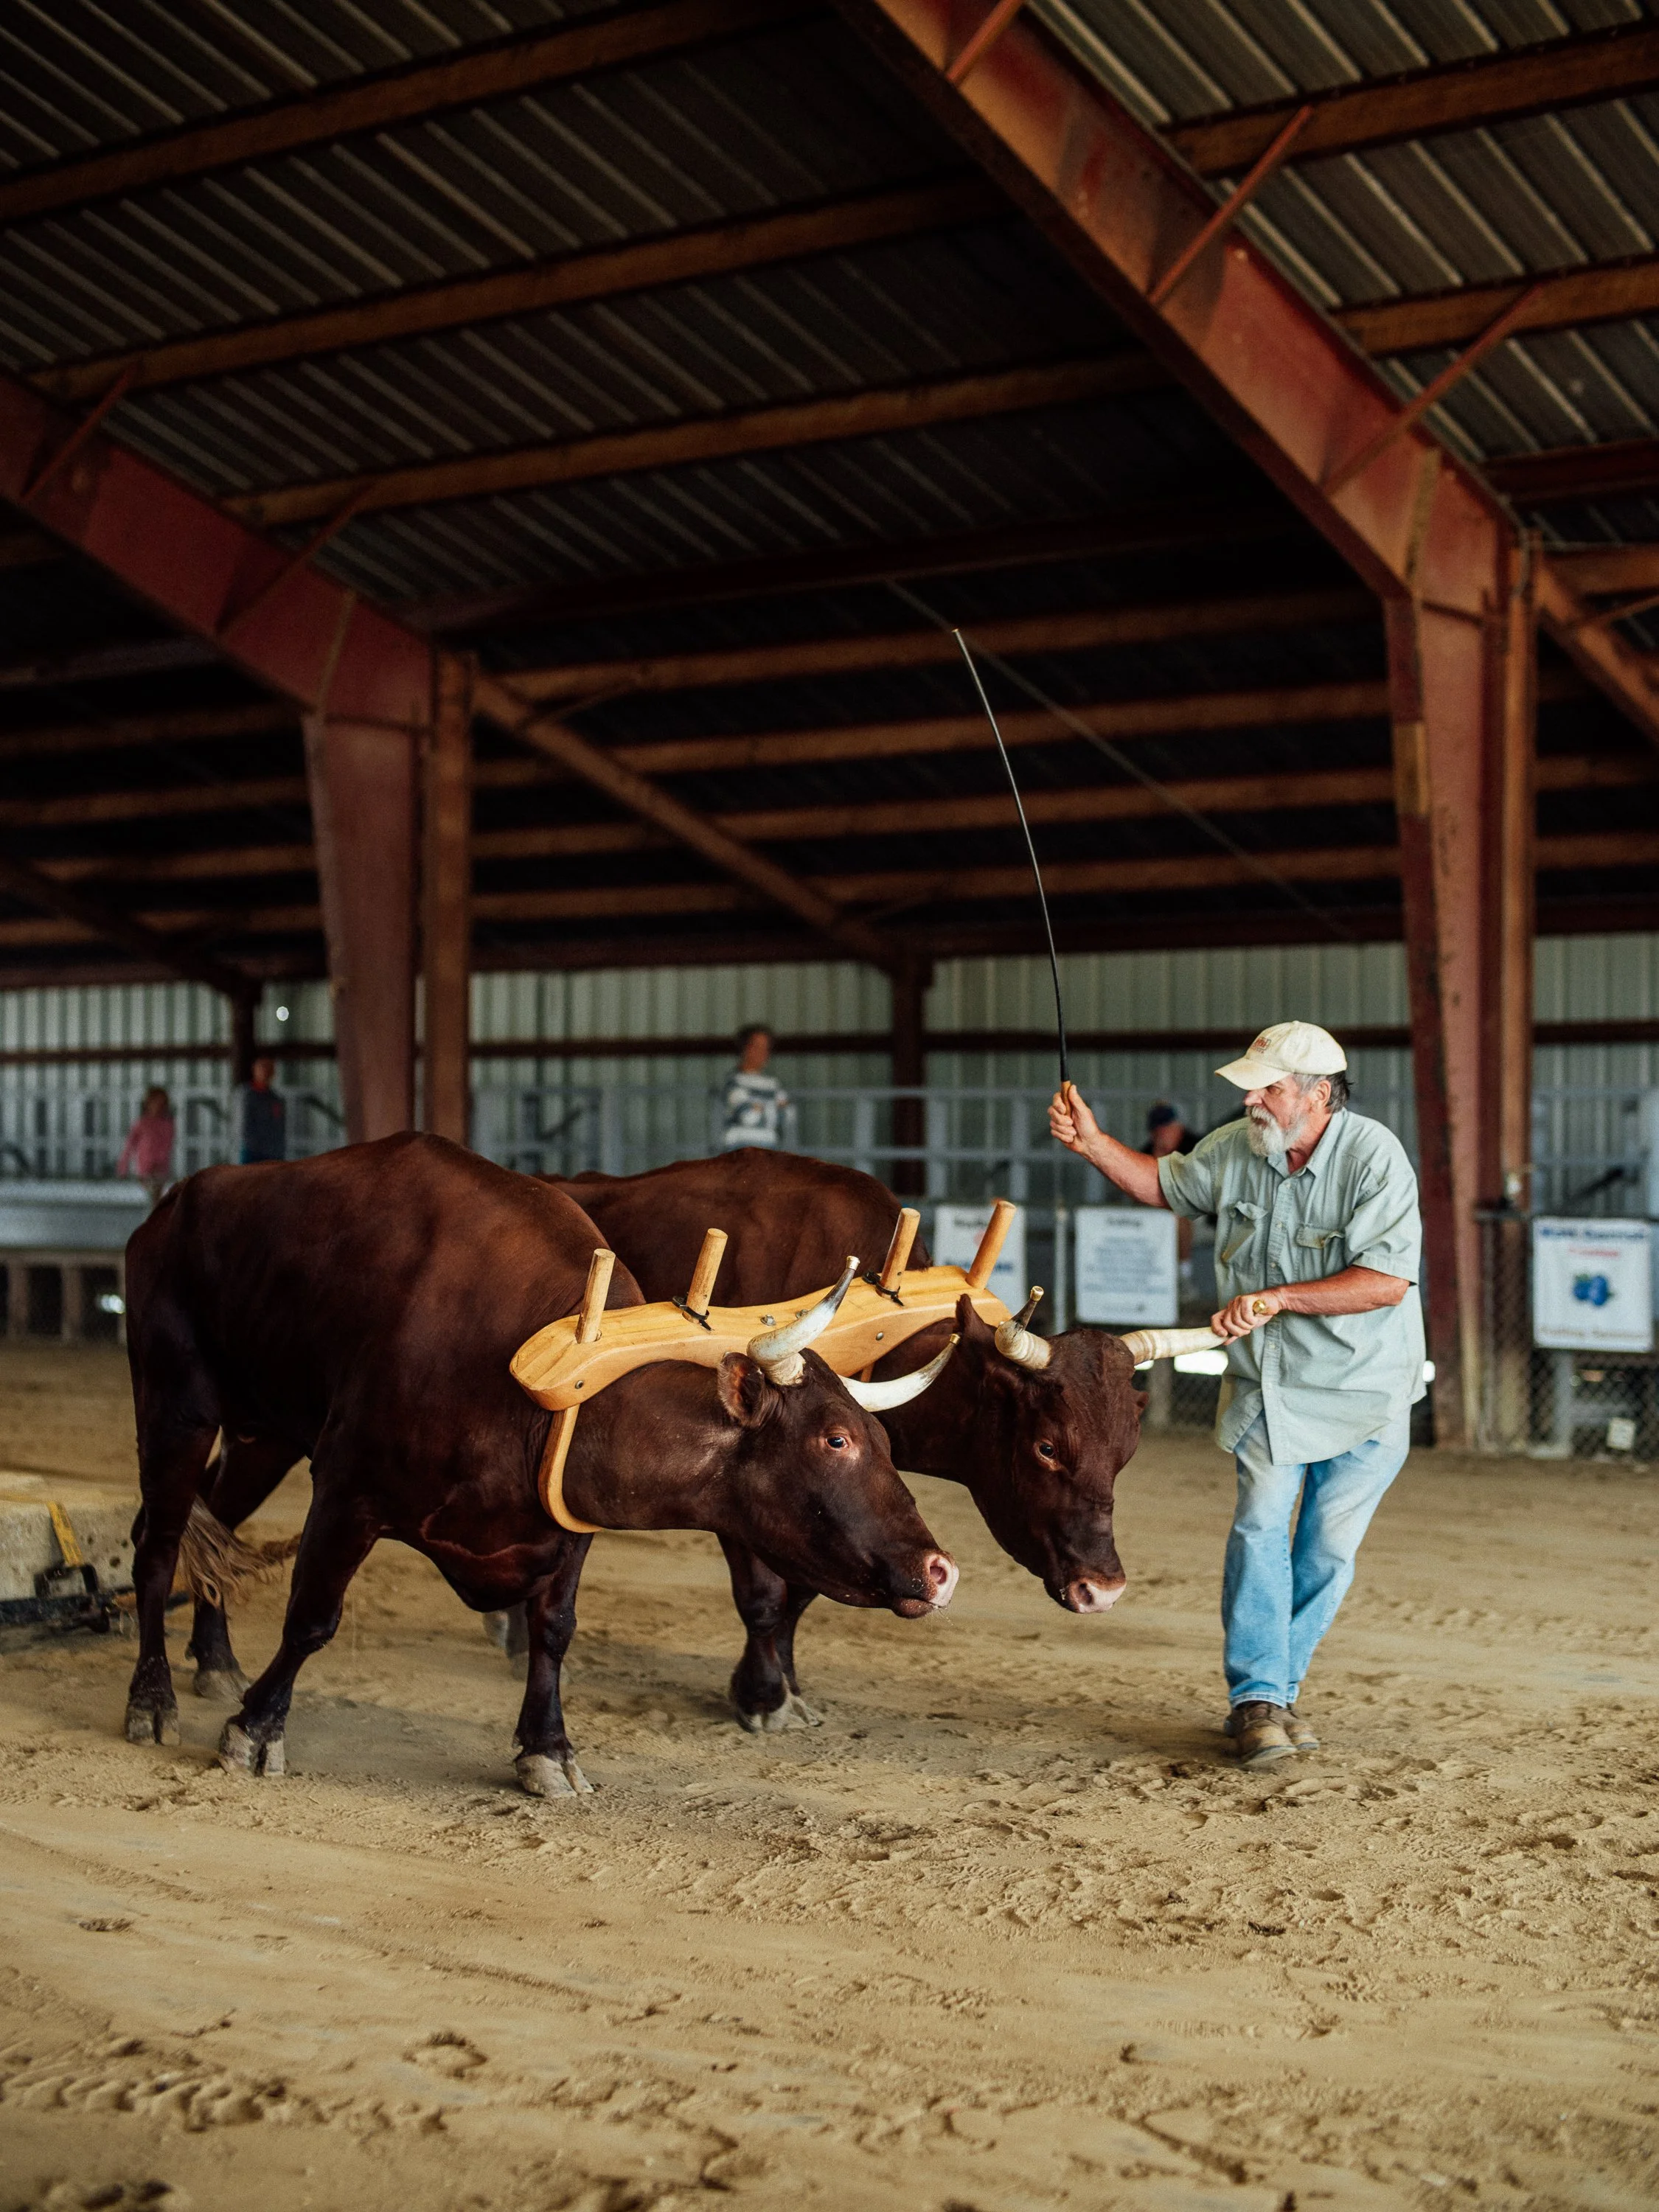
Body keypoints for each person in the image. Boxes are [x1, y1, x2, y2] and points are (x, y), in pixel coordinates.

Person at [1050, 1021, 1424, 1770]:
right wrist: (1093, 1141)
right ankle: (1256, 1698)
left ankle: (1278, 1690)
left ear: (1318, 1095)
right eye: (1251, 1086)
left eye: (1269, 1088)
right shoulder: (1238, 1148)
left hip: (1365, 1394)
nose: (1251, 1098)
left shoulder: (1374, 1157)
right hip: (1269, 1388)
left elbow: (1386, 1281)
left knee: (1326, 1551)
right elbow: (1163, 1183)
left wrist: (1279, 1298)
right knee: (1258, 1529)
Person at [721, 1025, 790, 1151]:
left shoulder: (773, 1083)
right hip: (741, 1150)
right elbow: (748, 1117)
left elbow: (789, 1115)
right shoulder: (734, 1082)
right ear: (744, 1049)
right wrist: (774, 1106)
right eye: (757, 1047)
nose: (763, 1053)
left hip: (770, 1149)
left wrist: (759, 1107)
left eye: (766, 1048)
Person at [116, 1085, 175, 1206]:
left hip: (161, 1167)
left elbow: (167, 1145)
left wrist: (159, 1162)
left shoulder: (167, 1125)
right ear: (148, 1104)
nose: (157, 1107)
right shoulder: (141, 1123)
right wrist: (123, 1165)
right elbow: (130, 1145)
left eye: (161, 1103)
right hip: (145, 1167)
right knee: (153, 1196)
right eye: (154, 1103)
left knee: (156, 1195)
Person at [236, 1055, 288, 1165]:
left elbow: (279, 1128)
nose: (265, 1072)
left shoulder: (275, 1099)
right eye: (262, 1068)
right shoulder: (246, 1096)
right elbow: (243, 1126)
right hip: (251, 1152)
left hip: (273, 1154)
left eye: (269, 1068)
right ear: (254, 1070)